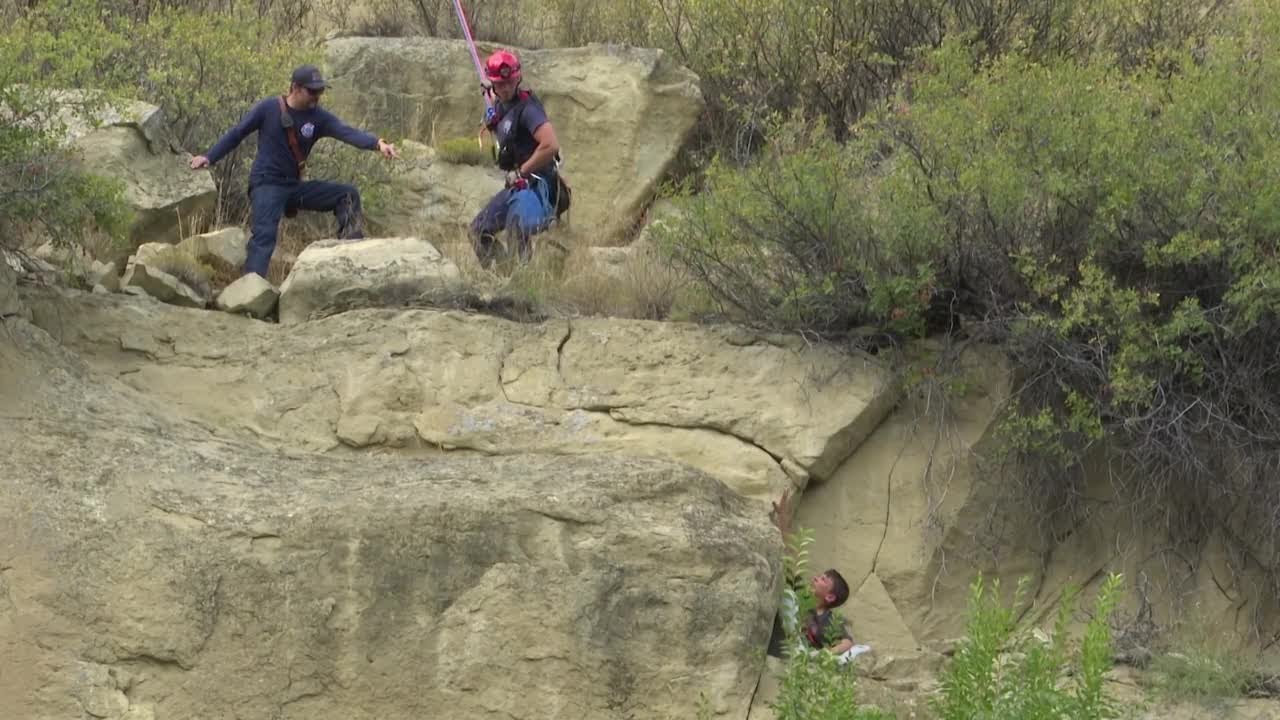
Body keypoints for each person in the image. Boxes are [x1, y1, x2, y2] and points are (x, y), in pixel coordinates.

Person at [190, 64, 399, 278]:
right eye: (312, 91)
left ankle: (352, 257)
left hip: (293, 187)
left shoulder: (318, 117)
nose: (317, 96)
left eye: (320, 91)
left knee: (347, 195)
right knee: (264, 237)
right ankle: (250, 290)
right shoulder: (268, 108)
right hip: (266, 183)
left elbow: (347, 132)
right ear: (295, 88)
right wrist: (208, 157)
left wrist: (378, 144)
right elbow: (237, 133)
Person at [470, 49, 569, 269]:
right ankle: (502, 274)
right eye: (499, 84)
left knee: (517, 227)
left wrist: (521, 171)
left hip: (538, 186)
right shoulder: (501, 104)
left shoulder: (529, 109)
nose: (505, 89)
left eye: (510, 83)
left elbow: (550, 145)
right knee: (478, 231)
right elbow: (501, 105)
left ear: (518, 79)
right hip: (519, 188)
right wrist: (491, 102)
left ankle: (522, 281)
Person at [767, 489, 858, 660]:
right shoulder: (800, 594)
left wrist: (821, 655)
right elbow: (789, 554)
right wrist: (782, 518)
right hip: (784, 648)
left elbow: (847, 643)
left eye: (823, 579)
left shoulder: (830, 620)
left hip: (805, 657)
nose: (816, 577)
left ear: (830, 597)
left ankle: (802, 654)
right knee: (787, 595)